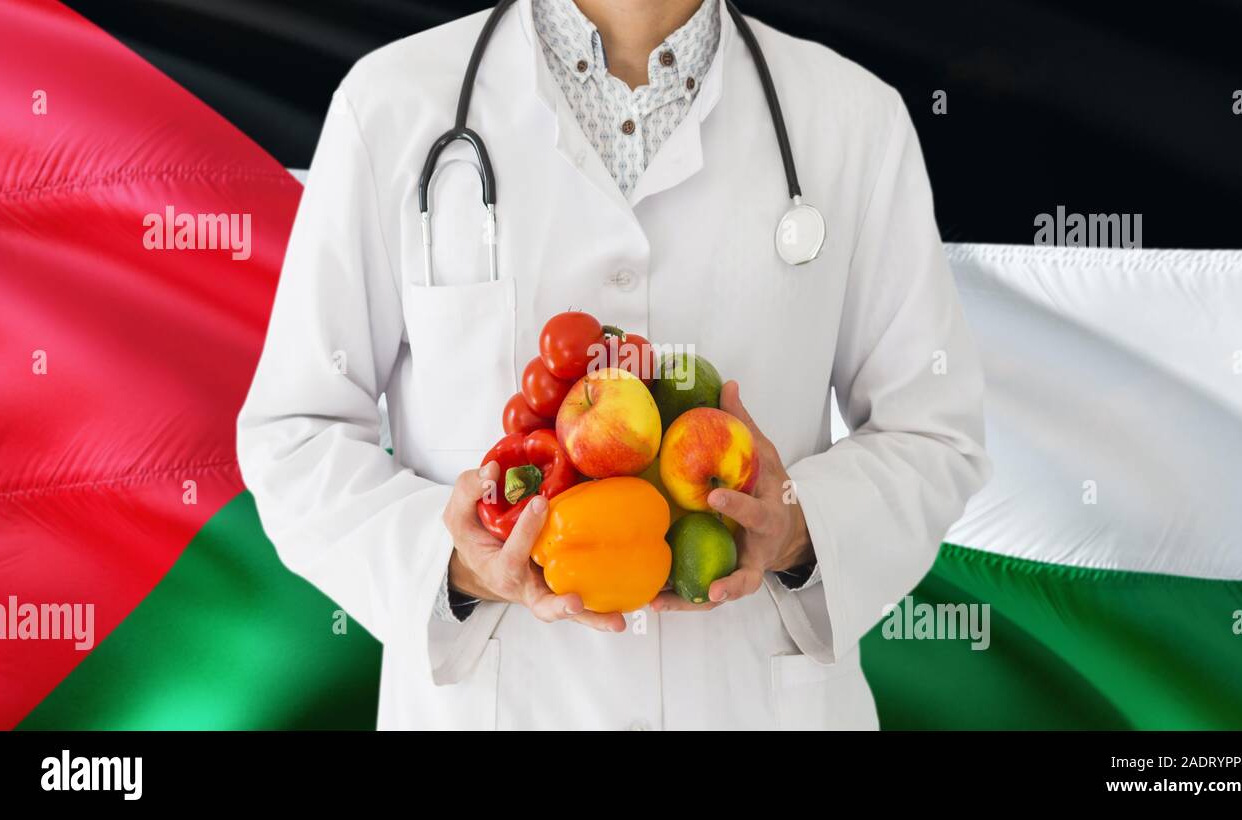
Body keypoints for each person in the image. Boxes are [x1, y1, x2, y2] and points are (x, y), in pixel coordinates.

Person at [237, 0, 990, 730]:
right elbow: (297, 432)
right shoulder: (391, 104)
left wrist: (800, 529)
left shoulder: (854, 120)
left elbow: (932, 431)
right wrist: (456, 566)